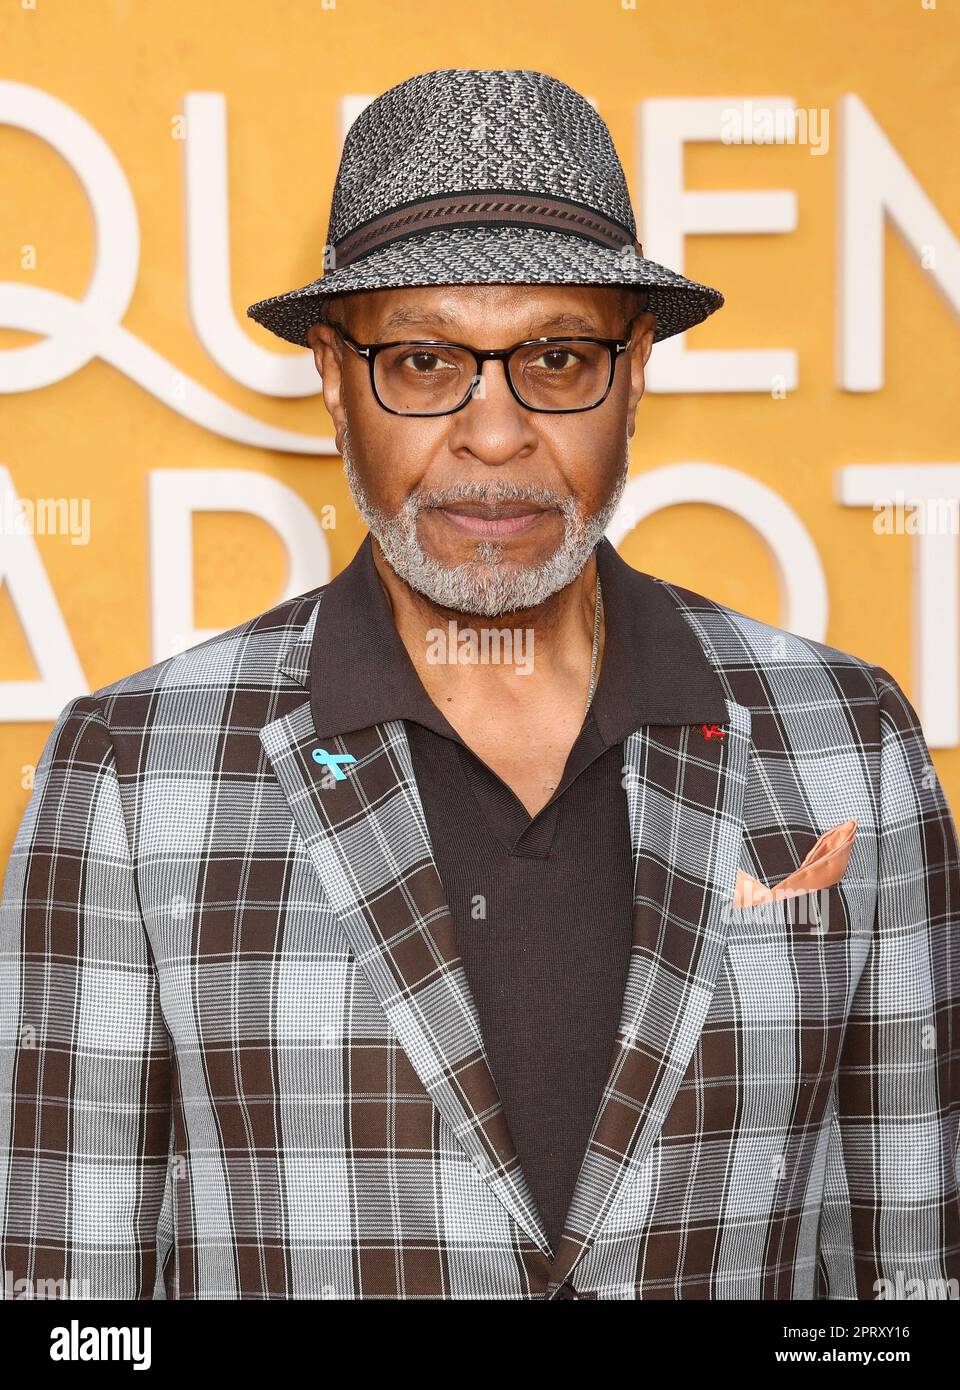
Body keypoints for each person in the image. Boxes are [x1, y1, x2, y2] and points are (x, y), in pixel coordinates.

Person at [1, 67, 957, 1301]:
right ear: (333, 381)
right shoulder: (136, 772)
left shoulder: (848, 743)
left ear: (638, 369)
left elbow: (915, 1288)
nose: (495, 433)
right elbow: (70, 1318)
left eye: (558, 358)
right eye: (422, 360)